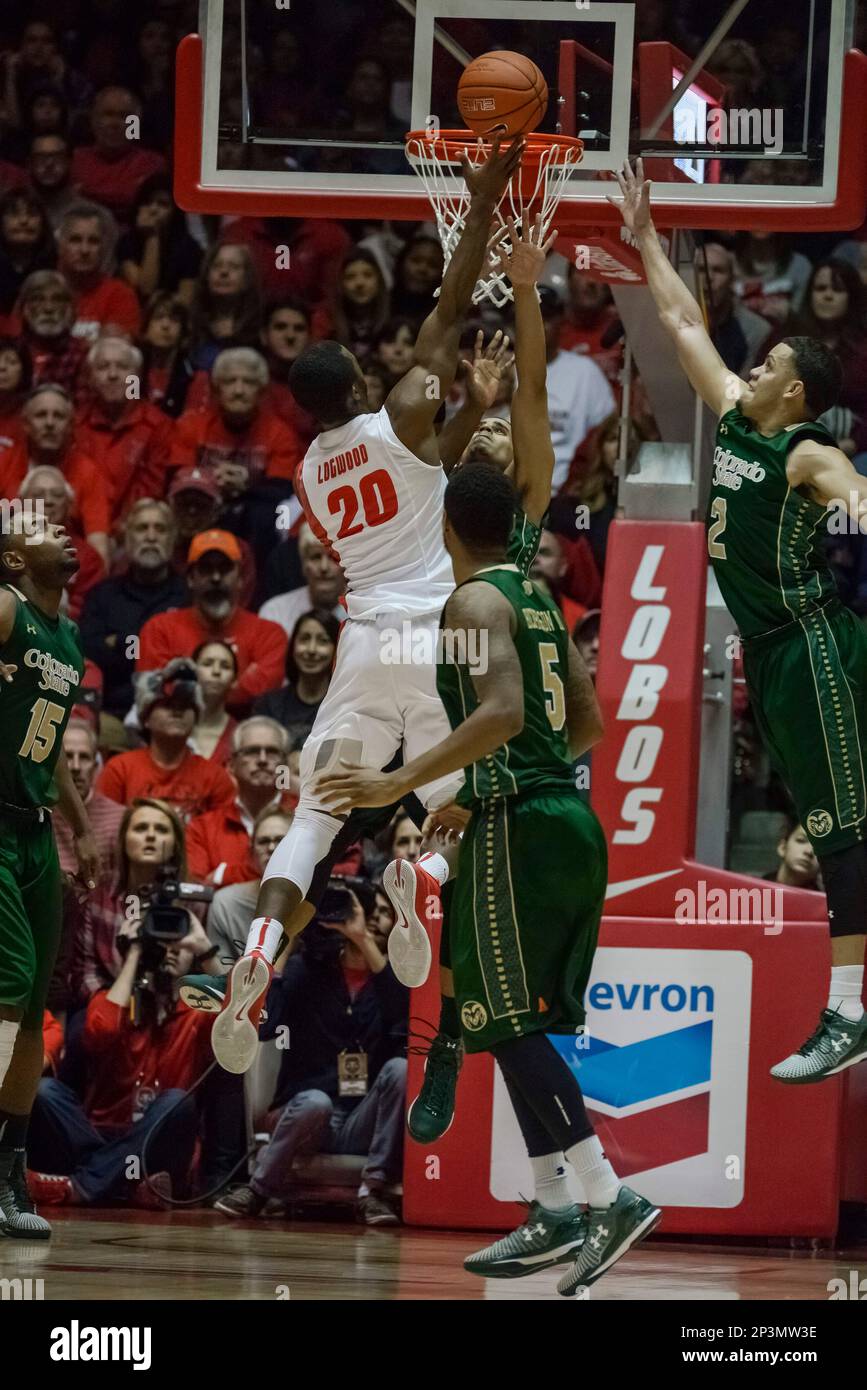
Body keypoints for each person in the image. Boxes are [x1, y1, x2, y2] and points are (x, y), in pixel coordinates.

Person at [207, 135, 525, 1076]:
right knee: (468, 797)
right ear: (358, 384)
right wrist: (480, 198)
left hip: (360, 642)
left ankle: (257, 953)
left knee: (312, 815)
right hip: (437, 636)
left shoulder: (309, 468)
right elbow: (450, 304)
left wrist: (473, 406)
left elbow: (424, 471)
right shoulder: (397, 418)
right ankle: (417, 872)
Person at [319, 463, 660, 1290]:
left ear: (443, 526)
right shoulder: (539, 598)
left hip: (524, 830)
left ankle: (605, 1195)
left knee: (502, 1020)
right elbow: (585, 723)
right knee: (496, 1013)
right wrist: (482, 789)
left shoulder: (472, 603)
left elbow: (502, 712)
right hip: (550, 819)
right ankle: (550, 1203)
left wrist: (396, 783)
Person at [612, 157, 867, 1083]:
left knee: (840, 824)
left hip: (813, 647)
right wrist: (643, 237)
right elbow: (682, 321)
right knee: (835, 813)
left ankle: (846, 1010)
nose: (751, 364)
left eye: (771, 364)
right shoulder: (736, 413)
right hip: (772, 652)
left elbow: (857, 499)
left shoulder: (806, 452)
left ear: (794, 393)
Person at [0, 506, 98, 1238]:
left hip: (37, 835)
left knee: (35, 1009)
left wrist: (80, 826)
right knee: (7, 985)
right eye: (36, 530)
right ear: (11, 561)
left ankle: (10, 1169)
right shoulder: (5, 608)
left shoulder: (67, 638)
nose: (58, 531)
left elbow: (53, 745)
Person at [213, 887, 408, 1227]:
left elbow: (403, 1023)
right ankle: (258, 1189)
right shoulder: (309, 972)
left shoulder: (392, 982)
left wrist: (364, 941)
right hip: (308, 1116)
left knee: (401, 1069)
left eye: (383, 912)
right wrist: (288, 940)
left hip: (359, 1118)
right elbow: (265, 1025)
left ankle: (372, 1194)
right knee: (316, 1102)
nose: (373, 919)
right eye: (363, 910)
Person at [136, 529, 288, 712]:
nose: (216, 578)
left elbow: (266, 692)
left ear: (240, 578)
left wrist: (188, 686)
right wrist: (237, 686)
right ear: (191, 578)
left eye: (225, 569)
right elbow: (154, 690)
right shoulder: (159, 629)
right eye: (206, 569)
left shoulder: (270, 634)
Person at [79, 499, 186, 719]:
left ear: (173, 539)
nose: (151, 536)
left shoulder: (189, 596)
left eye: (160, 529)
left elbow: (186, 656)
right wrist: (150, 650)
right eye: (141, 528)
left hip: (175, 710)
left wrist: (119, 643)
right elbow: (90, 652)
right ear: (126, 539)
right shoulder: (102, 596)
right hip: (112, 712)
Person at [97, 658, 236, 822]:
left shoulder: (215, 777)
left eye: (186, 705)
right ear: (146, 717)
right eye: (167, 704)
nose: (177, 712)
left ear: (196, 716)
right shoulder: (119, 770)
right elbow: (105, 831)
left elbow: (222, 838)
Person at [0, 384, 110, 565]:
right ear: (26, 424)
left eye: (58, 416)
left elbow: (99, 546)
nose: (50, 423)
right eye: (41, 415)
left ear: (71, 426)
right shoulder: (3, 464)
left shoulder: (88, 472)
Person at [75, 336, 173, 524]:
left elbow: (152, 490)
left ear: (136, 377)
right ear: (90, 378)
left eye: (122, 367)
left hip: (132, 531)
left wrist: (118, 531)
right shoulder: (75, 424)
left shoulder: (158, 426)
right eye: (103, 367)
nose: (113, 374)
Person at [185, 717, 292, 886]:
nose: (262, 759)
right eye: (252, 751)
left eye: (272, 752)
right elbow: (196, 892)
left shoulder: (308, 817)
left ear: (285, 765)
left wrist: (224, 874)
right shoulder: (202, 828)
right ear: (231, 765)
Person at [539, 285, 616, 492]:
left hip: (565, 491)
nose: (536, 325)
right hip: (508, 492)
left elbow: (606, 430)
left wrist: (581, 477)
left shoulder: (584, 371)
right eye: (527, 317)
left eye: (545, 318)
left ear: (560, 322)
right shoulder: (505, 371)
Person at [70, 86, 166, 226]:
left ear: (135, 124)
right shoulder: (74, 160)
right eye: (108, 114)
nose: (115, 123)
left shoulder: (153, 163)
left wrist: (88, 193)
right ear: (93, 121)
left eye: (124, 116)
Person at [56, 200, 141, 341]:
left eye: (93, 241)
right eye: (75, 240)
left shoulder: (120, 295)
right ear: (60, 246)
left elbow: (117, 352)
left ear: (104, 248)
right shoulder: (39, 290)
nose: (85, 250)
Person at [253, 608, 339, 747]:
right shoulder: (268, 706)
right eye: (304, 639)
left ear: (336, 649)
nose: (311, 649)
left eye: (323, 641)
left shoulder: (343, 706)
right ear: (292, 646)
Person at [54, 718, 124, 885]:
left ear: (95, 765)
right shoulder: (37, 814)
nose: (76, 766)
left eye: (84, 757)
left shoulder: (119, 818)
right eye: (68, 757)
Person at [117, 172, 201, 307]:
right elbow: (144, 290)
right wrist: (152, 236)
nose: (153, 209)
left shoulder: (190, 249)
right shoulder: (127, 242)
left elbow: (185, 301)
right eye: (148, 202)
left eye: (163, 204)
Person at [694, 240, 772, 378]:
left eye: (718, 270)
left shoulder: (756, 329)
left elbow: (746, 386)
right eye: (701, 270)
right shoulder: (673, 318)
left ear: (732, 279)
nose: (709, 277)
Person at [258, 524, 345, 638]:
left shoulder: (365, 610)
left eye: (333, 557)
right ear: (304, 565)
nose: (324, 567)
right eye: (316, 557)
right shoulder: (275, 613)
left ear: (346, 564)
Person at [18, 270, 88, 397]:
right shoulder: (11, 353)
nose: (48, 308)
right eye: (38, 299)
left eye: (57, 300)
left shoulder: (82, 356)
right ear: (25, 308)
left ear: (70, 309)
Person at [189, 639, 238, 764]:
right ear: (192, 671)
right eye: (207, 664)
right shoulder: (172, 724)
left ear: (234, 680)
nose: (216, 671)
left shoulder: (239, 735)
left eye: (225, 666)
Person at [763, 816, 821, 890]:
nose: (809, 851)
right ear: (782, 847)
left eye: (818, 848)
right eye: (801, 840)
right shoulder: (753, 890)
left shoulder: (824, 900)